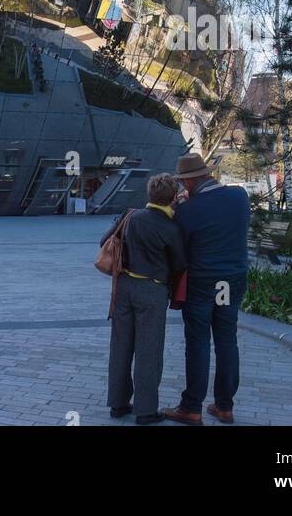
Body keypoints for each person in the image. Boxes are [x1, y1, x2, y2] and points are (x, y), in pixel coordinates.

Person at [163, 153, 251, 426]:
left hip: (202, 282)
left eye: (184, 183)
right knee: (227, 341)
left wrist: (182, 206)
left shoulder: (186, 211)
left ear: (190, 182)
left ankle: (191, 408)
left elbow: (180, 248)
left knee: (198, 342)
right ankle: (224, 406)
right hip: (232, 279)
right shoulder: (240, 196)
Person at [102, 174, 186, 425]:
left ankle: (118, 404)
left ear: (149, 194)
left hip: (122, 287)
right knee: (149, 351)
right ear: (173, 198)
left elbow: (105, 241)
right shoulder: (171, 227)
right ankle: (146, 410)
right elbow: (180, 263)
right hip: (152, 290)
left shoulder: (131, 216)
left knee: (120, 346)